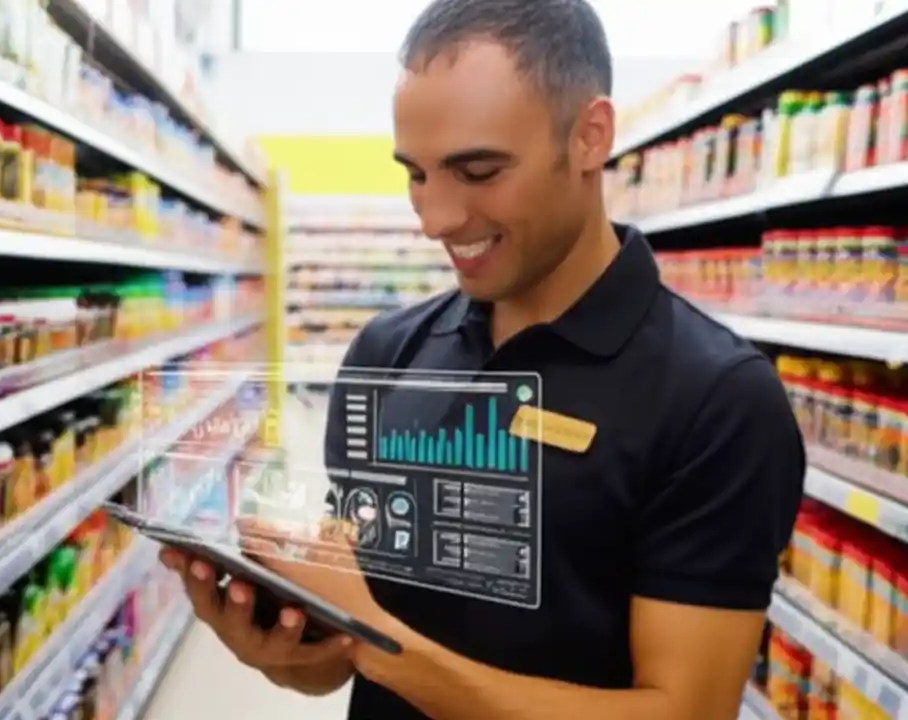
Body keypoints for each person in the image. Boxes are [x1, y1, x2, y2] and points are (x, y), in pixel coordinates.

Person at [158, 0, 806, 718]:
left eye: (478, 170)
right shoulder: (387, 354)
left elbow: (683, 712)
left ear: (590, 136)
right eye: (417, 174)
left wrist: (380, 644)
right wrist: (289, 646)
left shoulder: (719, 400)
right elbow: (345, 666)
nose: (434, 218)